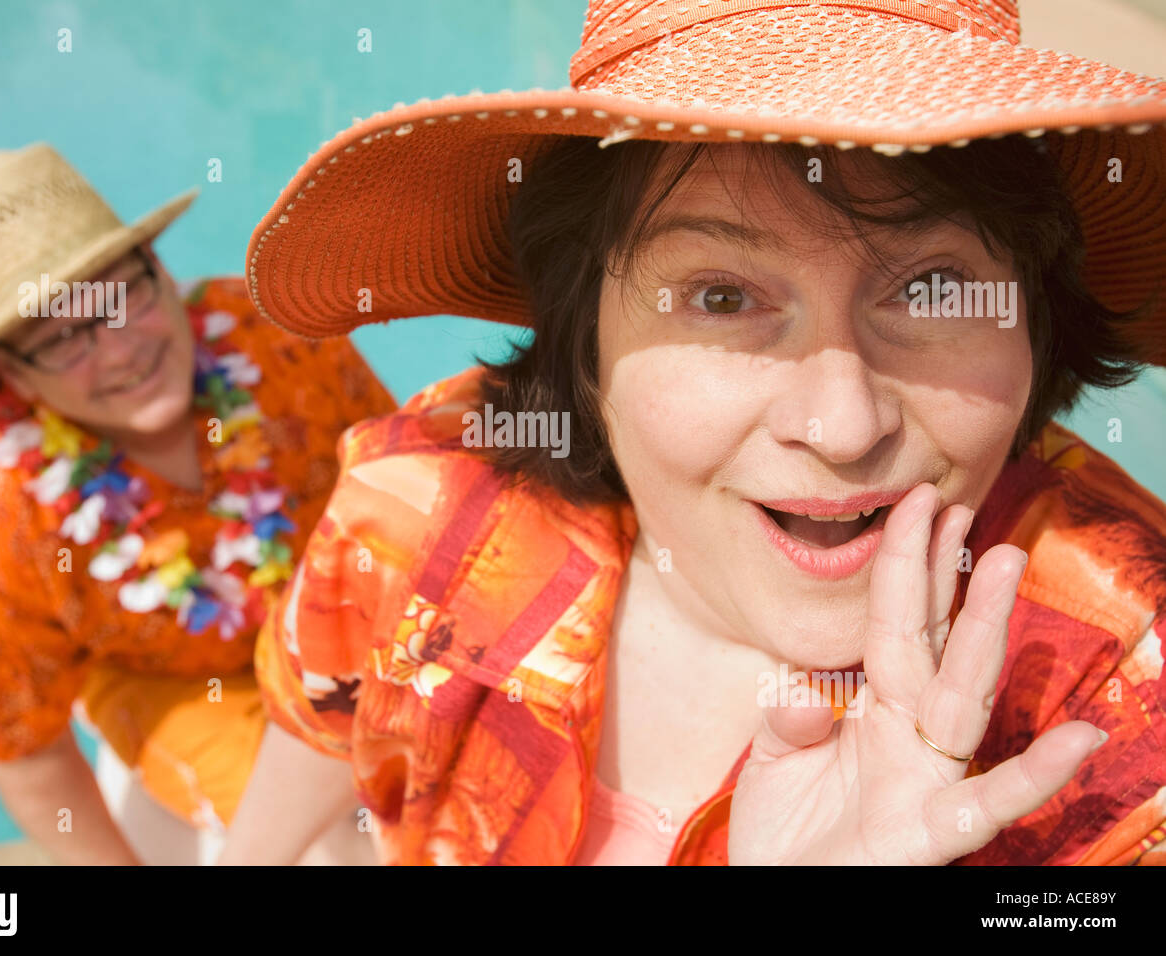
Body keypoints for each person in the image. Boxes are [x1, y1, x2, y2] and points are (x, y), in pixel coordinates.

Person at [221, 0, 1166, 865]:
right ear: (582, 331)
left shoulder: (1123, 700)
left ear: (1037, 320)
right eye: (723, 296)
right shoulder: (420, 511)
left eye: (932, 288)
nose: (843, 427)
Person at [0, 143, 394, 865]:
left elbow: (401, 494)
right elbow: (26, 752)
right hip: (167, 684)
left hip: (343, 620)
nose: (120, 352)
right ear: (11, 375)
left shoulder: (284, 337)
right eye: (64, 338)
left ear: (161, 272)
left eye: (121, 297)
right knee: (355, 836)